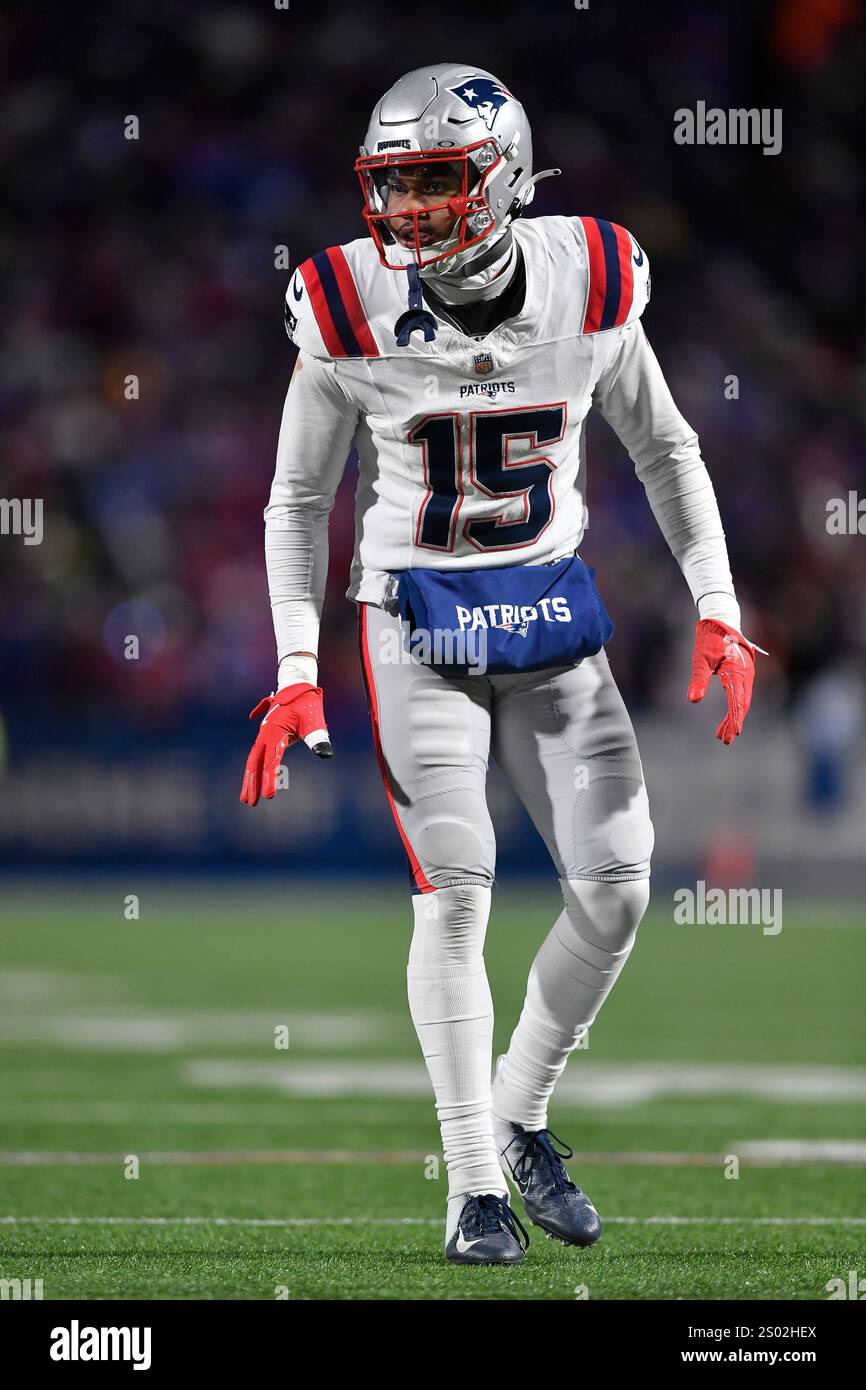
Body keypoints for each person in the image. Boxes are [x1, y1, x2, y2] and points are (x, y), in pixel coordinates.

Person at [240, 63, 760, 1266]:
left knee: (620, 885)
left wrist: (718, 607)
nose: (409, 213)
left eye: (435, 181)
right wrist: (296, 660)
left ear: (507, 176)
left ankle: (523, 1111)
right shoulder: (345, 300)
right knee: (458, 889)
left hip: (544, 617)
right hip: (415, 621)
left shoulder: (590, 279)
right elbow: (296, 496)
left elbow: (667, 452)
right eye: (393, 185)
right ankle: (471, 1183)